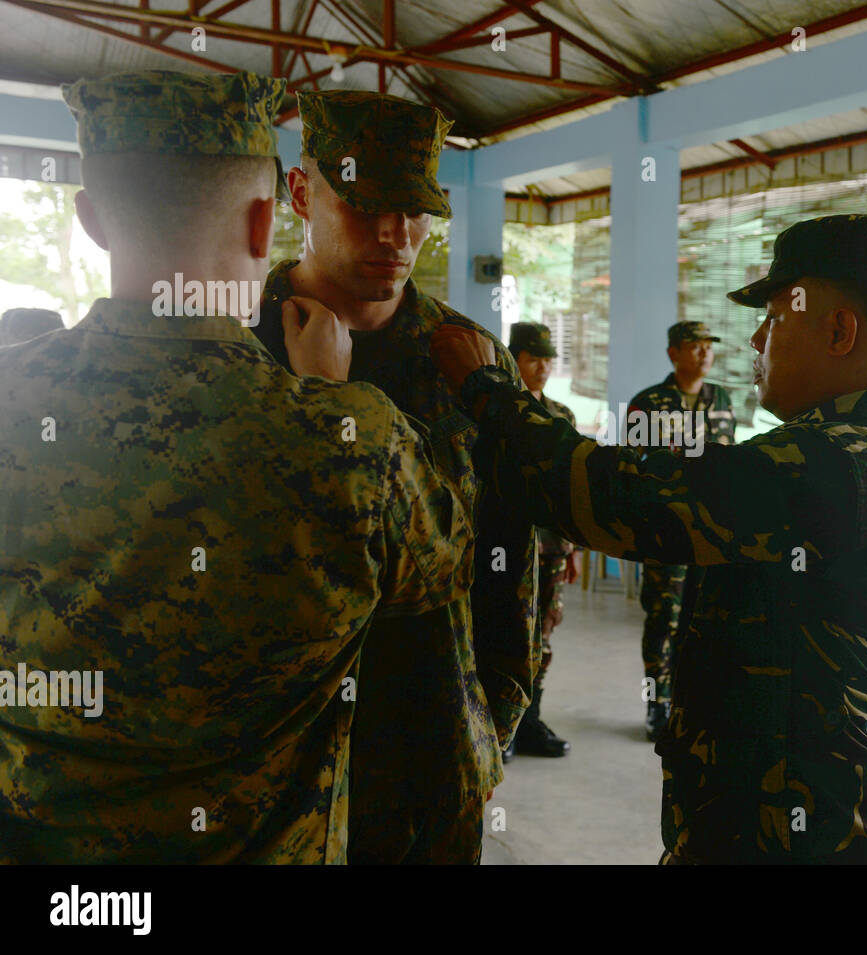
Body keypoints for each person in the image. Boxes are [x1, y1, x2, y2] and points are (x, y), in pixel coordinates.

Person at [0, 70, 469, 863]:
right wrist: (335, 404)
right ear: (266, 221)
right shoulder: (350, 439)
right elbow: (440, 570)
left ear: (91, 221)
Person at [427, 213, 867, 864]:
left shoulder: (843, 465)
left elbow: (622, 497)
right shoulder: (863, 446)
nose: (756, 338)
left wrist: (488, 393)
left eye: (776, 318)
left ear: (839, 330)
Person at [250, 89, 537, 864]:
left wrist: (493, 719)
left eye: (413, 209)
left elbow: (511, 562)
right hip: (264, 787)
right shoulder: (237, 353)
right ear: (302, 191)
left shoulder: (467, 362)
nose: (394, 232)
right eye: (365, 202)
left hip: (426, 772)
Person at [627, 321, 735, 741]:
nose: (705, 353)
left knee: (701, 620)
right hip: (665, 533)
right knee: (663, 620)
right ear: (673, 353)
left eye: (709, 346)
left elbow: (730, 463)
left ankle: (692, 701)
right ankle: (657, 704)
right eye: (695, 346)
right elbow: (631, 468)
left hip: (709, 535)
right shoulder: (648, 403)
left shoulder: (721, 398)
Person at [503, 321, 579, 760]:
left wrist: (573, 550)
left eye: (549, 358)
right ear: (514, 358)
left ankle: (531, 722)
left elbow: (571, 489)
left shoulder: (561, 415)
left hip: (551, 546)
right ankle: (505, 723)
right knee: (507, 629)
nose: (544, 366)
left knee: (543, 635)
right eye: (535, 358)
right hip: (507, 546)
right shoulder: (498, 411)